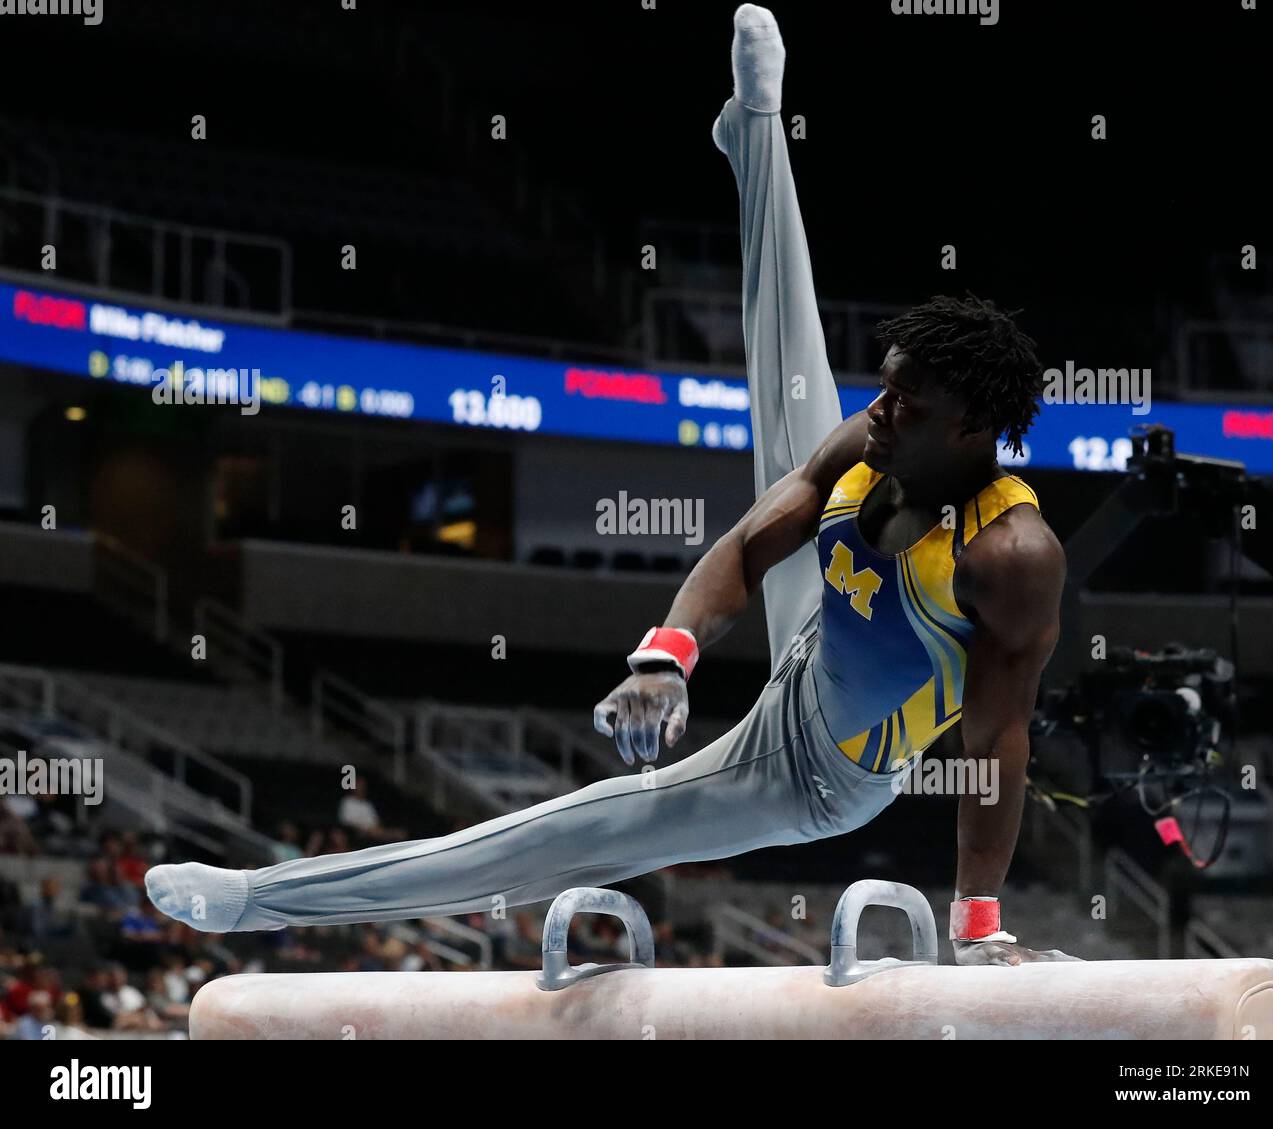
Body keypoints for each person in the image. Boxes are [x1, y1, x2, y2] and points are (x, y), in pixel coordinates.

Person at [145, 5, 1075, 966]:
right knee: (791, 373)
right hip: (818, 623)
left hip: (814, 766)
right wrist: (665, 657)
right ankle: (757, 127)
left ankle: (261, 897)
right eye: (885, 386)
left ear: (972, 427)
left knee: (567, 831)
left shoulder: (1009, 557)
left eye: (908, 403)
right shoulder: (876, 437)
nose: (880, 408)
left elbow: (996, 743)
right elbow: (751, 545)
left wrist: (977, 925)